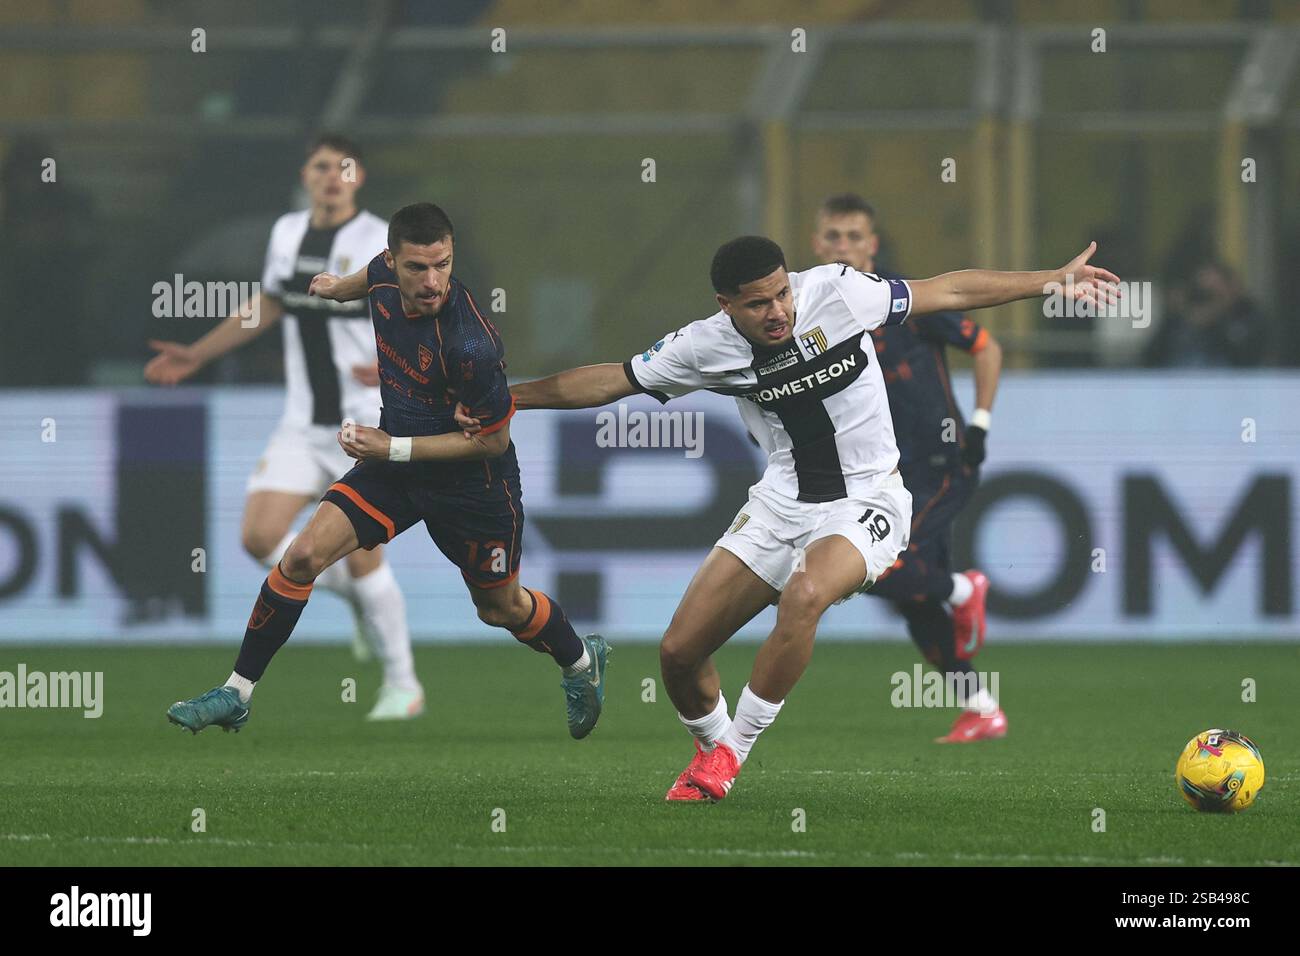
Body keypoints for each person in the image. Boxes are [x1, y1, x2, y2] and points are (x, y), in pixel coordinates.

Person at [455, 233, 1117, 800]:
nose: (776, 312)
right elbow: (606, 381)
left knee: (804, 597)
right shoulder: (703, 346)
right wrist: (506, 402)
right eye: (756, 303)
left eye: (780, 295)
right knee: (679, 654)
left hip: (869, 499)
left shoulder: (838, 292)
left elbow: (948, 289)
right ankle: (714, 749)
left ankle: (731, 755)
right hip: (781, 501)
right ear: (726, 306)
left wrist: (1048, 281)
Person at [164, 202, 608, 740]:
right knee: (302, 556)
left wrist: (391, 447)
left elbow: (492, 441)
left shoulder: (471, 344)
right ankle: (237, 692)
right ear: (393, 262)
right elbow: (365, 278)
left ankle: (581, 660)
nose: (431, 280)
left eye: (442, 265)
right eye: (417, 267)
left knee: (500, 608)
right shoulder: (379, 274)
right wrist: (332, 288)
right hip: (397, 470)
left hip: (474, 489)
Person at [145, 135, 424, 720]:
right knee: (257, 536)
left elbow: (419, 308)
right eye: (321, 166)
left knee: (364, 551)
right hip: (302, 423)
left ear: (359, 177)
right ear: (306, 174)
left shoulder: (378, 239)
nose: (331, 177)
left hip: (364, 420)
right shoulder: (287, 233)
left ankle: (403, 684)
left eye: (342, 167)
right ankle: (354, 597)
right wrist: (197, 355)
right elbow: (268, 305)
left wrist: (396, 361)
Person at [811, 193, 1006, 743]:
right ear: (815, 243)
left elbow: (986, 346)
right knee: (915, 600)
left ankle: (964, 591)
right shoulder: (813, 312)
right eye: (832, 236)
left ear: (872, 245)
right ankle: (982, 708)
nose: (842, 247)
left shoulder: (903, 301)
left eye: (853, 237)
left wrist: (981, 424)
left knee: (873, 570)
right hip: (879, 477)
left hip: (941, 462)